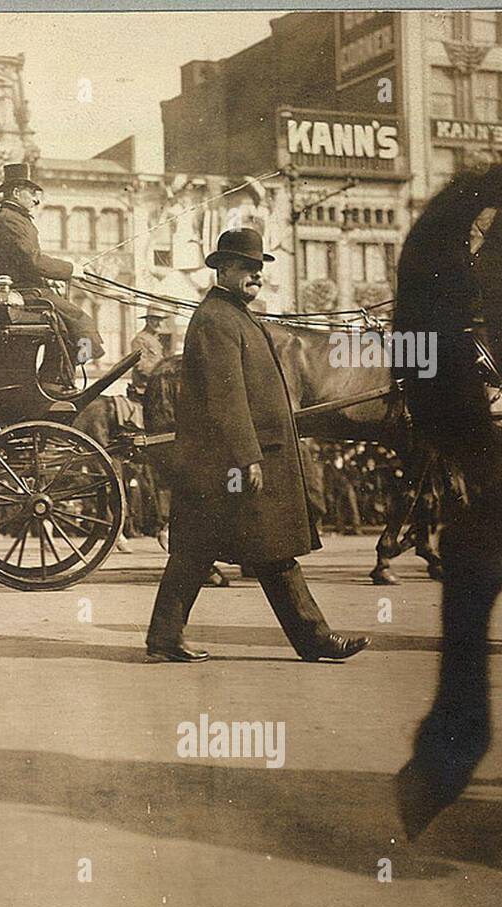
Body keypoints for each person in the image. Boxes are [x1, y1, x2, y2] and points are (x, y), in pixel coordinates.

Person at [145, 228, 370, 663]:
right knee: (240, 551)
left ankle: (168, 636)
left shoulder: (236, 315)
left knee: (248, 551)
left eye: (259, 268)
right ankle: (313, 639)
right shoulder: (215, 319)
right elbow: (225, 396)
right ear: (223, 269)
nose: (256, 276)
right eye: (246, 268)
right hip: (230, 462)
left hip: (236, 459)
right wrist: (247, 454)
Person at [0, 162, 104, 391]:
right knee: (82, 322)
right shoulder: (11, 220)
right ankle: (54, 380)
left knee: (74, 325)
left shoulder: (13, 218)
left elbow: (25, 261)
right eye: (32, 193)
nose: (36, 199)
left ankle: (60, 375)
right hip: (25, 295)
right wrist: (70, 269)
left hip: (26, 290)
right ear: (17, 192)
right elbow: (34, 260)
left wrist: (52, 276)